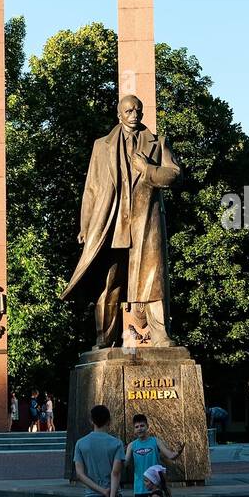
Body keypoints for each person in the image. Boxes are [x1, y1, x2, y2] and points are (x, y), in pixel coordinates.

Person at [61, 94, 182, 348]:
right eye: (129, 111)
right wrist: (85, 225)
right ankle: (105, 337)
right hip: (112, 221)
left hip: (145, 221)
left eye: (138, 109)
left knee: (153, 278)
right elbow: (91, 188)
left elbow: (174, 174)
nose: (134, 114)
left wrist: (147, 170)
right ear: (119, 115)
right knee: (110, 280)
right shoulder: (101, 146)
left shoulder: (157, 143)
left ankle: (160, 334)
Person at [124, 413, 184, 497]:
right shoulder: (132, 446)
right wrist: (117, 458)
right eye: (137, 427)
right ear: (134, 429)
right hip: (140, 489)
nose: (140, 429)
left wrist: (178, 451)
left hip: (155, 489)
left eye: (142, 426)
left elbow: (170, 455)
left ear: (148, 426)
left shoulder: (155, 441)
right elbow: (125, 463)